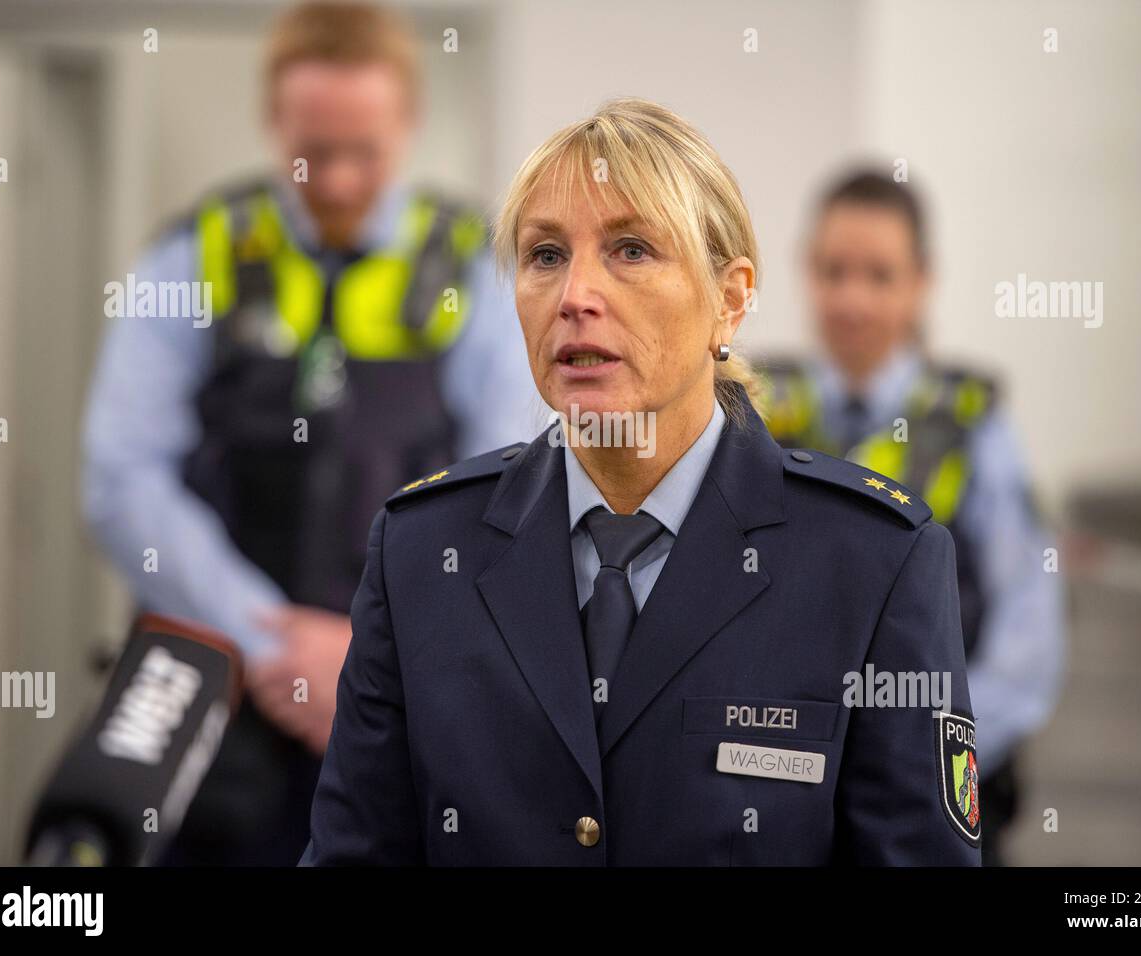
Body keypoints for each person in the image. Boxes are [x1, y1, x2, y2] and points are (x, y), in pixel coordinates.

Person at [301, 98, 981, 865]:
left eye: (630, 250)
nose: (575, 297)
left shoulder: (873, 564)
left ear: (730, 300)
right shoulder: (422, 553)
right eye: (546, 255)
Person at [81, 1, 544, 865]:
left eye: (362, 153)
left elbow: (510, 491)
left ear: (408, 123)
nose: (333, 180)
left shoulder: (474, 272)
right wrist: (270, 644)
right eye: (312, 152)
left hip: (398, 696)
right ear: (273, 120)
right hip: (207, 690)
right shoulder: (198, 255)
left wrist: (363, 659)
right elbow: (121, 479)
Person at [758, 171, 1064, 865]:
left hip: (935, 813)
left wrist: (914, 758)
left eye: (879, 275)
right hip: (779, 816)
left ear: (922, 282)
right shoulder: (751, 413)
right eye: (833, 271)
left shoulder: (973, 425)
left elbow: (1028, 645)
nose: (851, 298)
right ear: (807, 270)